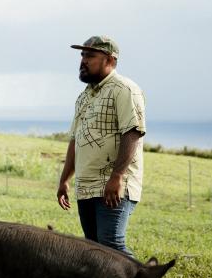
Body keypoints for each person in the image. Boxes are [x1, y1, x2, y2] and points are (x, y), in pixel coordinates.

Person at [56, 35, 145, 257]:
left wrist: (117, 177)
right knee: (94, 248)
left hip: (113, 184)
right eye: (82, 55)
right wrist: (64, 180)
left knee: (111, 244)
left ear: (110, 60)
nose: (83, 61)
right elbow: (75, 140)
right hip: (86, 186)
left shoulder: (124, 89)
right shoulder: (84, 97)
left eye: (90, 56)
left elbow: (132, 133)